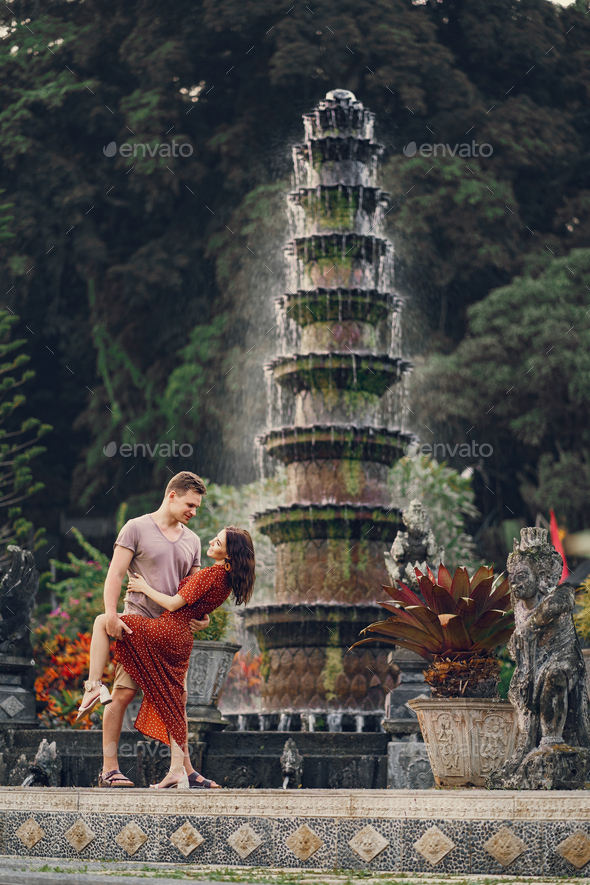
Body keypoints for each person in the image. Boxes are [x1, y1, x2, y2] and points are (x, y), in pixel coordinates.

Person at [78, 526, 255, 789]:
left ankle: (93, 687)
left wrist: (143, 586)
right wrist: (203, 619)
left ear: (230, 553)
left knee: (103, 620)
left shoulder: (212, 573)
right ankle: (179, 771)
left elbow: (173, 604)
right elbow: (199, 606)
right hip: (181, 638)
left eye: (217, 542)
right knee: (173, 700)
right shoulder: (226, 581)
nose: (210, 541)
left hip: (166, 630)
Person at [91, 471, 211, 788]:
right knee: (123, 694)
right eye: (190, 504)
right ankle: (109, 769)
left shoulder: (193, 541)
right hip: (137, 627)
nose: (193, 512)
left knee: (177, 701)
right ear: (171, 495)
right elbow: (115, 574)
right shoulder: (136, 528)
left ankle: (185, 771)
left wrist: (202, 616)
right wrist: (111, 614)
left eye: (197, 507)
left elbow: (194, 589)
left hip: (172, 635)